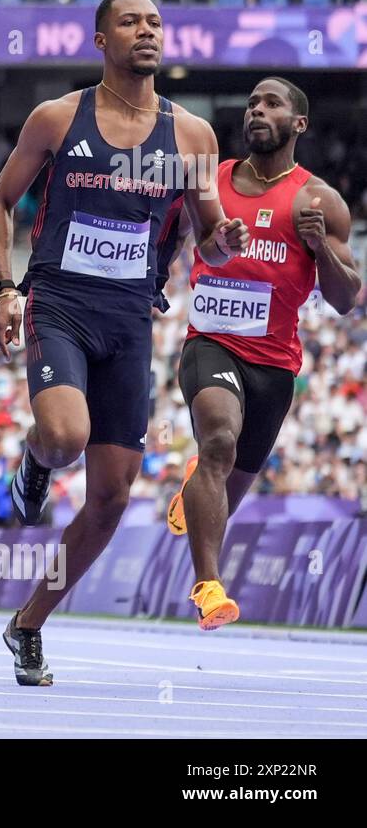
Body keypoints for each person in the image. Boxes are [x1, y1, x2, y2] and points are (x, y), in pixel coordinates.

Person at [0, 0, 249, 685]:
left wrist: (225, 240)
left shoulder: (192, 136)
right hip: (60, 303)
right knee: (65, 437)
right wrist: (4, 288)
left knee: (110, 497)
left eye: (155, 22)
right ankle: (37, 461)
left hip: (130, 318)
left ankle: (27, 624)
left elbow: (209, 244)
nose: (147, 32)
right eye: (130, 22)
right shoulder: (57, 118)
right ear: (101, 39)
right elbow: (0, 203)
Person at [162, 78, 362, 629]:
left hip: (273, 365)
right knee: (218, 440)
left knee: (230, 480)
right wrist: (204, 251)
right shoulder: (214, 181)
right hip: (211, 342)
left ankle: (194, 492)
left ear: (298, 123)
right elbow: (181, 239)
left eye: (271, 104)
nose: (257, 110)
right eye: (252, 103)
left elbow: (346, 300)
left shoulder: (318, 201)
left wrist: (320, 247)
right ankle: (208, 586)